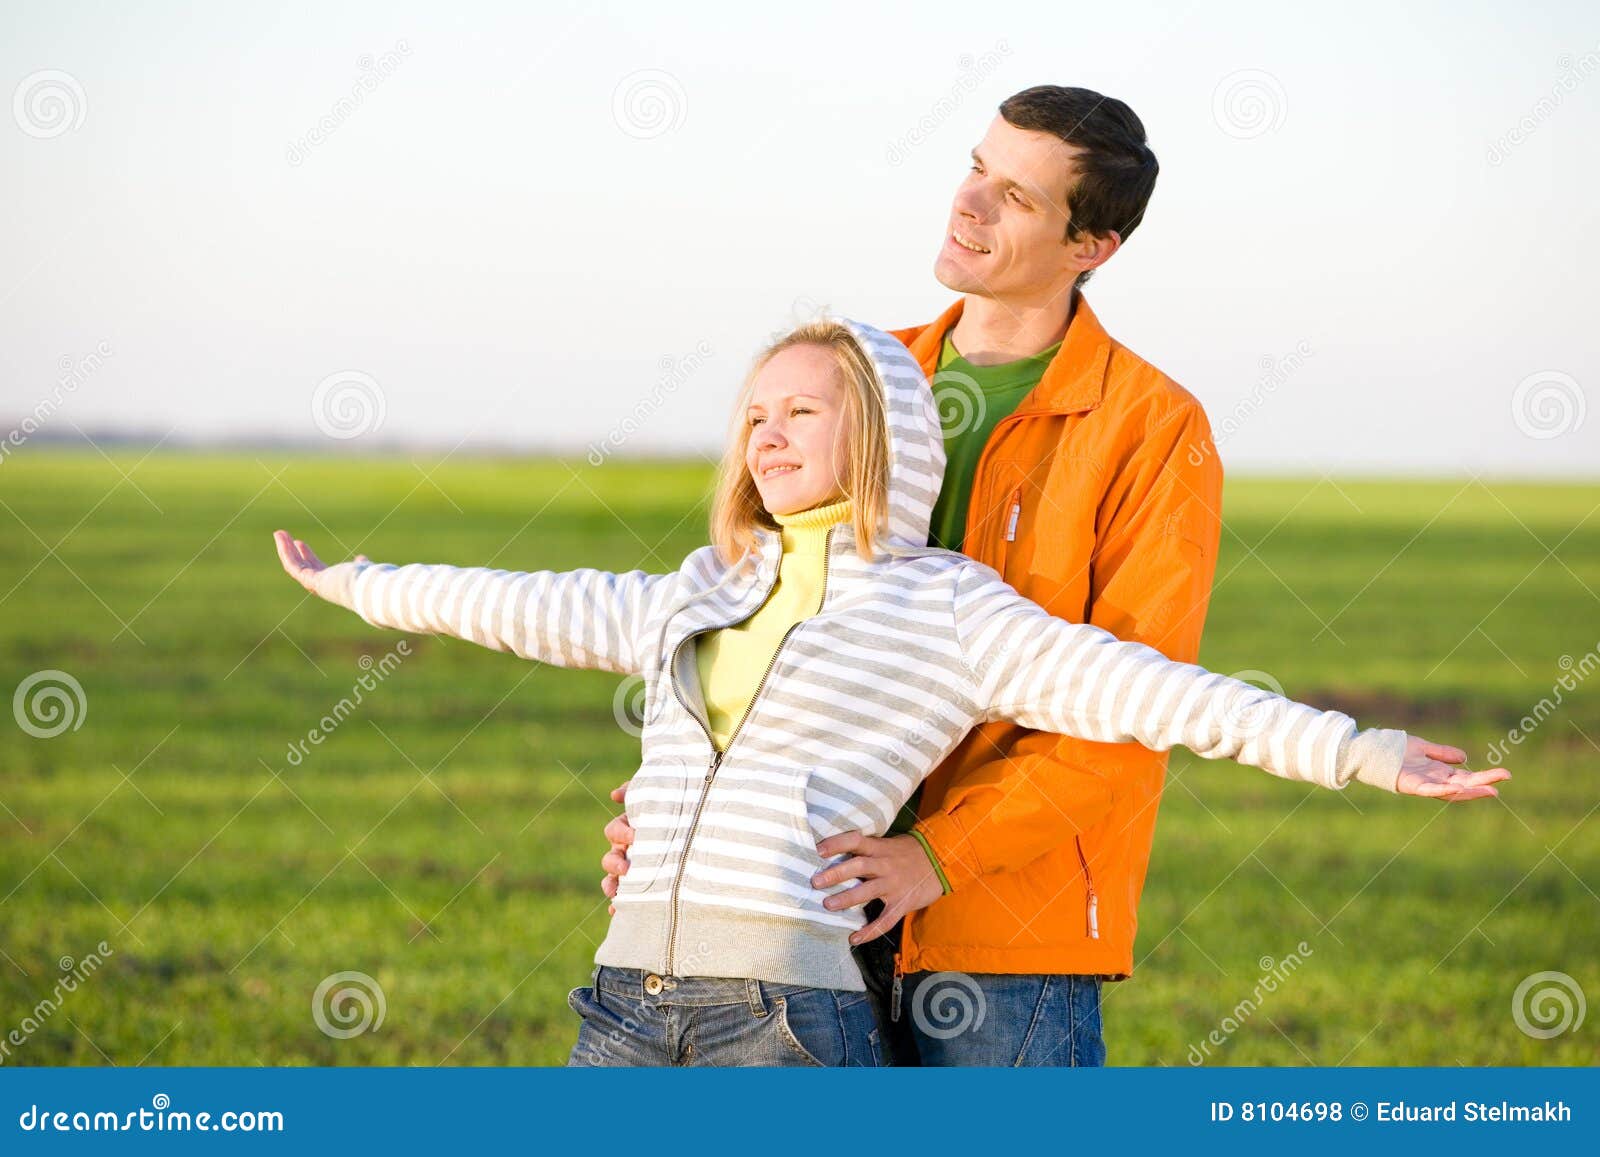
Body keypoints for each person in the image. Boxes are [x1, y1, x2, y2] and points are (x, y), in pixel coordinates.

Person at [274, 316, 1508, 1067]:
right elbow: (518, 600)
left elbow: (1153, 692)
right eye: (753, 412)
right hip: (620, 1003)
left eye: (800, 409)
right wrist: (358, 583)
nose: (764, 433)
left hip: (783, 1018)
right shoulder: (700, 585)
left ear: (880, 435)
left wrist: (1356, 748)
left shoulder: (945, 605)